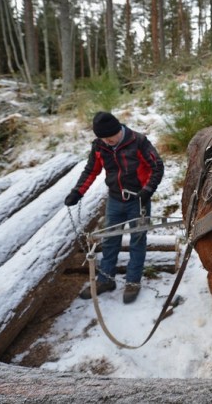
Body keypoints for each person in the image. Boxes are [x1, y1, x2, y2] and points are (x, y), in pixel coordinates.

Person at [65, 111, 164, 303]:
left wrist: (148, 189)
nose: (108, 141)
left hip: (139, 200)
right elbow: (91, 170)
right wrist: (78, 192)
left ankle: (133, 282)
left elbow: (157, 166)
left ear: (119, 129)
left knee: (137, 241)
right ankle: (106, 280)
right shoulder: (100, 146)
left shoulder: (138, 141)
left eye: (111, 137)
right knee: (110, 240)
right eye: (104, 138)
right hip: (115, 200)